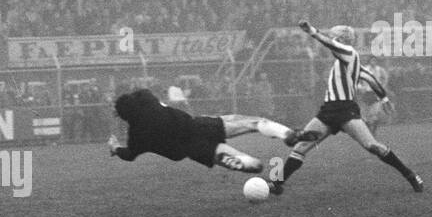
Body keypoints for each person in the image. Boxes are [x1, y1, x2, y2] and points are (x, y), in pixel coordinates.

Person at [270, 22, 423, 195]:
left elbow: (329, 44)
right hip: (327, 111)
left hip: (345, 111)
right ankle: (276, 183)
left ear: (342, 40)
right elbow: (371, 79)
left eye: (335, 37)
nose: (332, 39)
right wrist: (384, 98)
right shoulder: (345, 62)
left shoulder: (349, 53)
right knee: (300, 148)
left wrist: (312, 32)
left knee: (372, 145)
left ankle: (410, 175)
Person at [107, 87, 304, 174]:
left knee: (255, 166)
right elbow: (142, 92)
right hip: (199, 126)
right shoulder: (147, 100)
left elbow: (130, 155)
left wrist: (115, 148)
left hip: (194, 149)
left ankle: (250, 164)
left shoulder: (137, 135)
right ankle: (285, 133)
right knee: (252, 123)